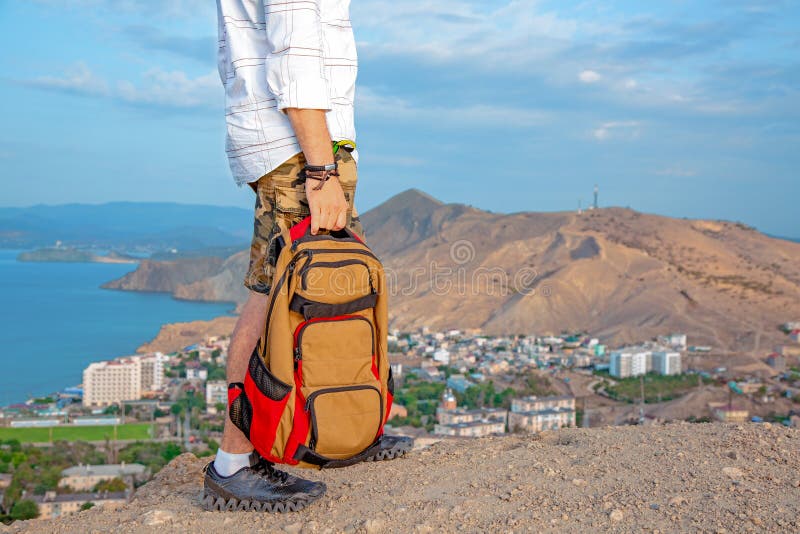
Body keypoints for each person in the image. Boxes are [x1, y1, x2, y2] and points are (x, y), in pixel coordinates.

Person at [204, 0, 412, 512]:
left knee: (320, 293)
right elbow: (294, 59)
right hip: (300, 151)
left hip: (306, 146)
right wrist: (322, 171)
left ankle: (343, 422)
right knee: (276, 297)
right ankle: (236, 460)